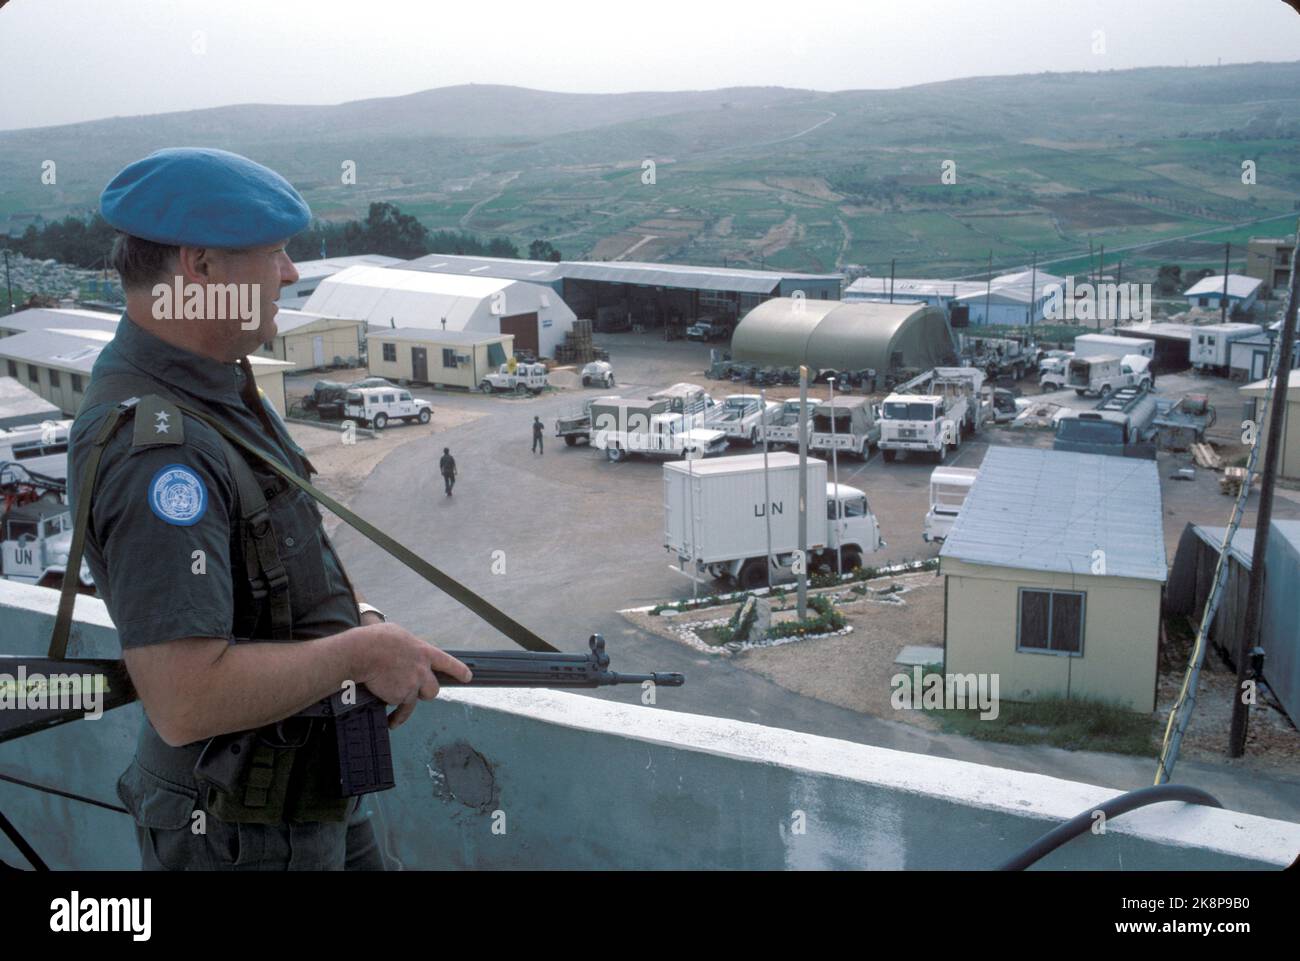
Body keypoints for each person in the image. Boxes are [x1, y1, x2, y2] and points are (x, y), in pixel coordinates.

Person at [70, 147, 472, 871]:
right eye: (276, 253)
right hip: (237, 830)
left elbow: (263, 567)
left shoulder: (214, 384)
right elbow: (184, 697)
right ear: (202, 269)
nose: (289, 274)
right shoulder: (160, 451)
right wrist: (357, 653)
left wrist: (356, 623)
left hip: (298, 797)